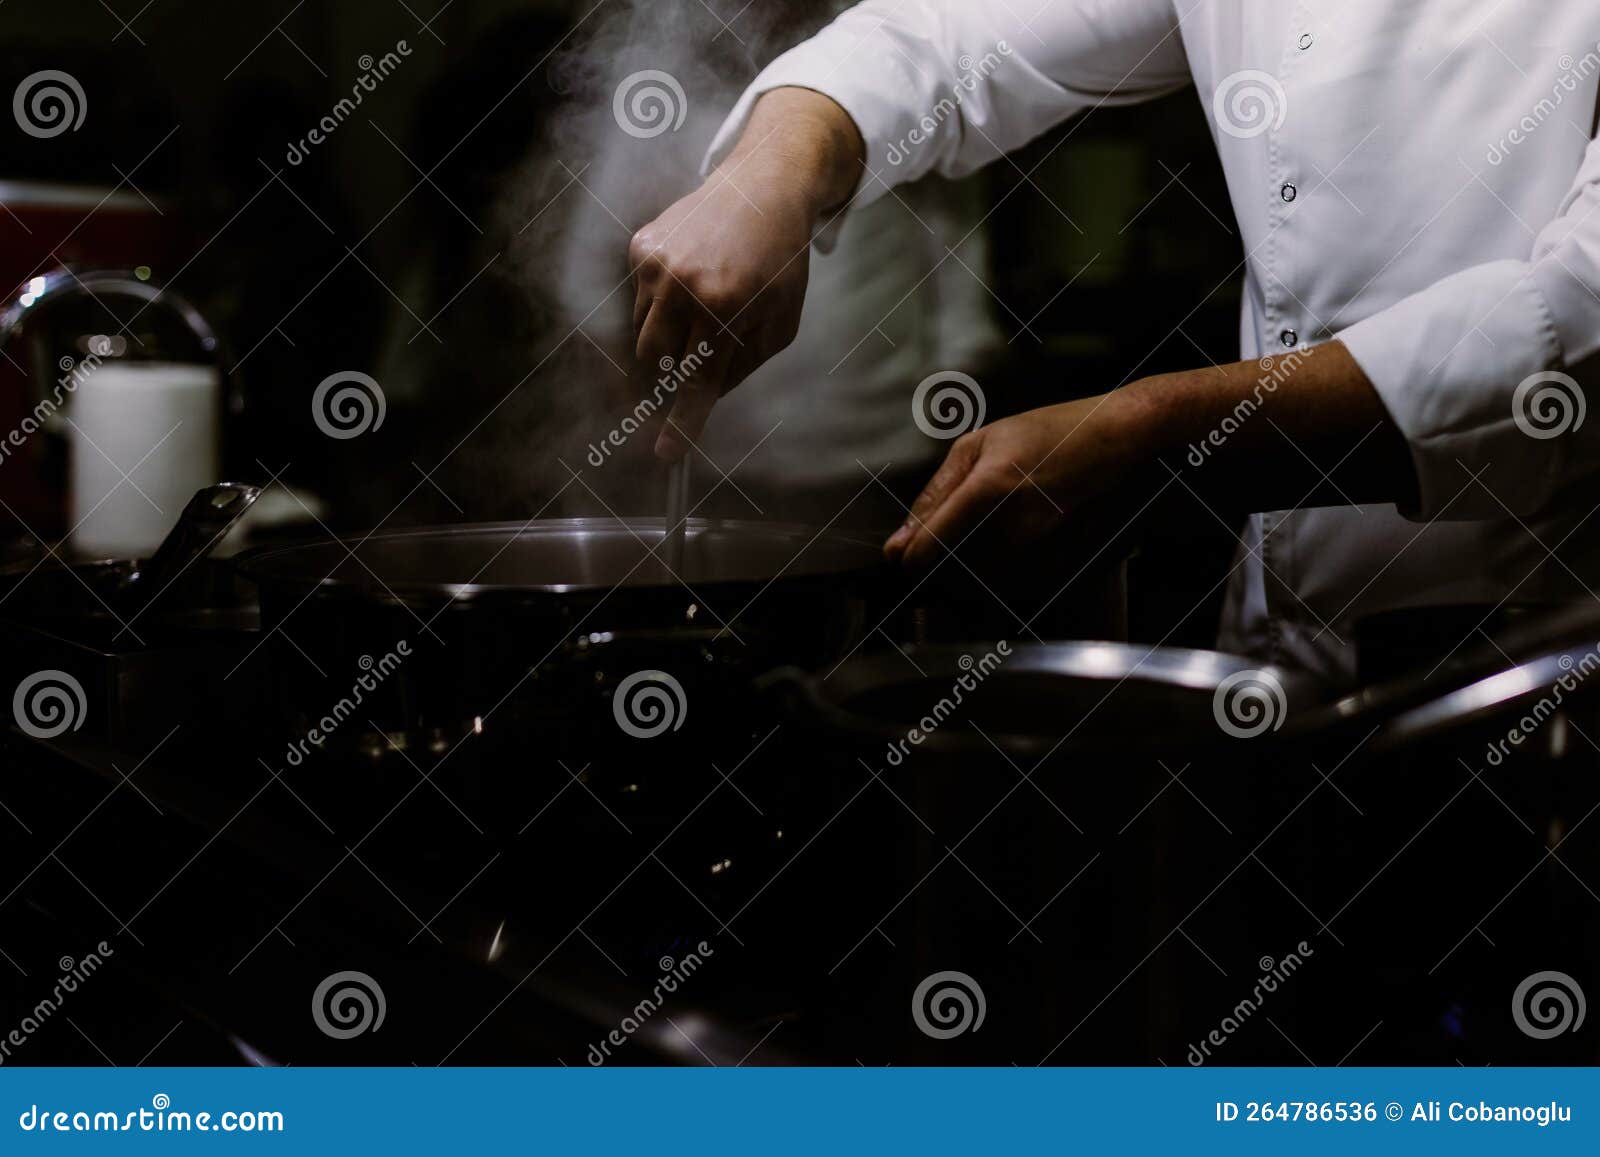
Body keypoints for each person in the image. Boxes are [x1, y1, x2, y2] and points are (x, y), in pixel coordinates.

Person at [627, 3, 1600, 680]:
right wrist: (774, 169)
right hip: (1279, 652)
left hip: (1545, 657)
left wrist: (1162, 434)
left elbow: (1574, 310)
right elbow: (951, 34)